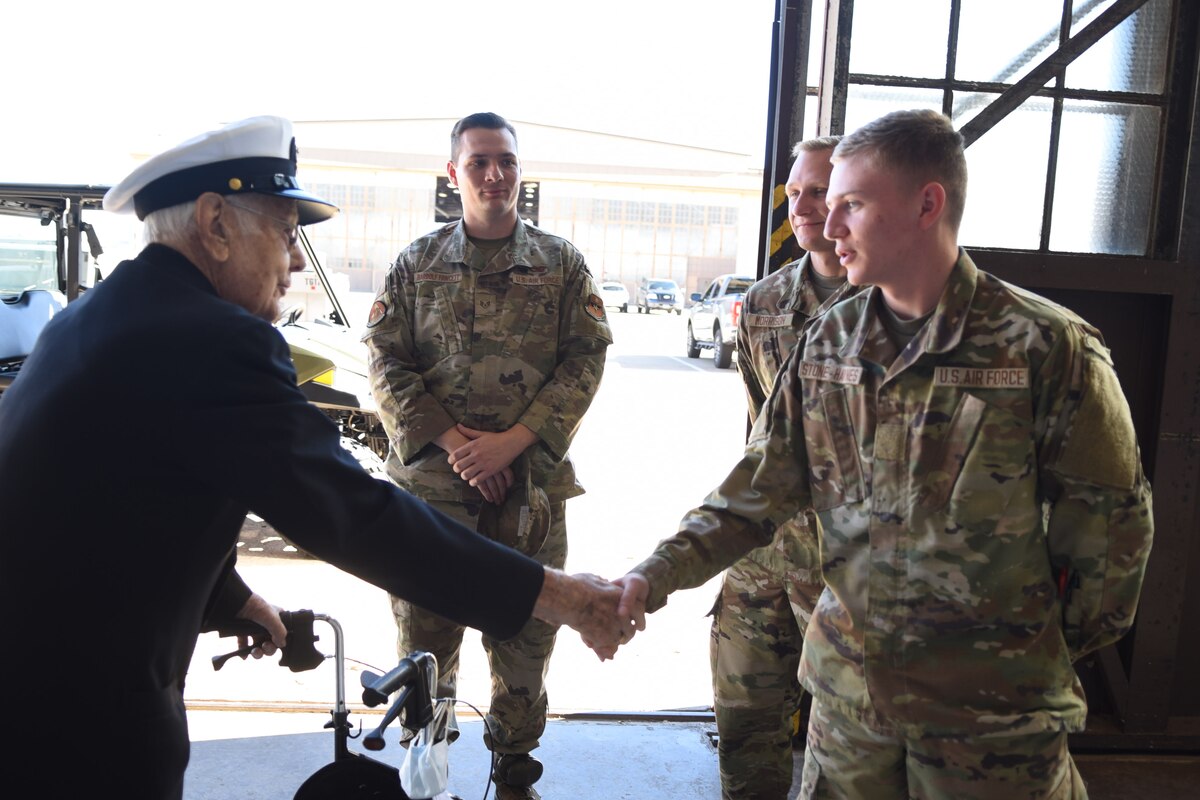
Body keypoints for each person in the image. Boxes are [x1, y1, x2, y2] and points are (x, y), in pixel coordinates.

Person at [0, 115, 630, 800]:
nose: (296, 260)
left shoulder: (98, 317)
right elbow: (353, 515)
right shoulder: (214, 341)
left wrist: (238, 600)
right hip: (76, 725)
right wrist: (559, 594)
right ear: (215, 225)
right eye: (286, 231)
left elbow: (127, 509)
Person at [612, 109, 1153, 799]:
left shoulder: (1046, 349)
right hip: (849, 716)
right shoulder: (828, 344)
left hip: (990, 730)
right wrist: (650, 577)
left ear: (928, 204)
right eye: (827, 205)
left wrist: (1009, 658)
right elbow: (754, 492)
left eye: (851, 206)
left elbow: (1112, 548)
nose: (828, 227)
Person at [363, 111, 612, 800]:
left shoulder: (561, 265)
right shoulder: (417, 264)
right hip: (433, 499)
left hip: (529, 492)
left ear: (520, 170)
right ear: (454, 173)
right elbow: (386, 363)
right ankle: (426, 776)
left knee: (526, 644)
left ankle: (513, 776)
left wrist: (512, 442)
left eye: (505, 160)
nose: (495, 174)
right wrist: (456, 444)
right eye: (479, 162)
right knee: (425, 644)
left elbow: (585, 360)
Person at [711, 135, 847, 800]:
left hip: (854, 564)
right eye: (795, 192)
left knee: (843, 743)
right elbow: (762, 428)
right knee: (744, 723)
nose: (803, 205)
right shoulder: (764, 302)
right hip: (767, 551)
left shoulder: (900, 302)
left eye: (819, 190)